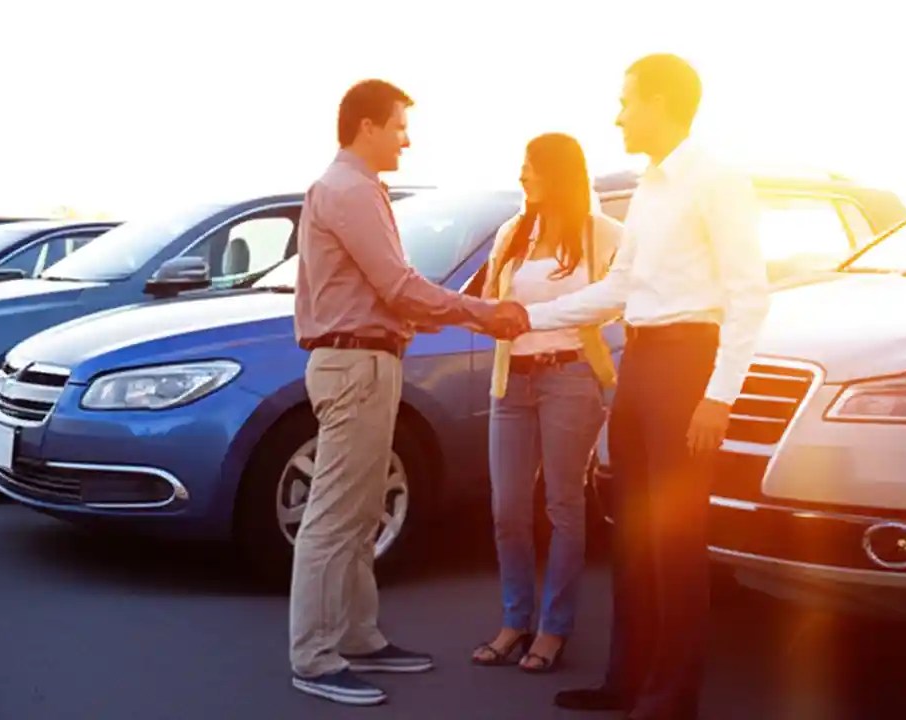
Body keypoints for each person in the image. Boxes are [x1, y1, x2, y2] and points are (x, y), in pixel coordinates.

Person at [513, 54, 769, 719]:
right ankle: (626, 682)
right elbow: (617, 289)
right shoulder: (651, 187)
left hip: (689, 365)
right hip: (642, 362)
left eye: (627, 101)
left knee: (676, 543)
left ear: (661, 102)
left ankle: (670, 697)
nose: (618, 114)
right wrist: (524, 318)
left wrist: (720, 396)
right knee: (631, 535)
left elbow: (749, 295)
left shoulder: (717, 181)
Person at [289, 78, 527, 707]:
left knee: (362, 511)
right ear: (367, 125)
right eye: (398, 126)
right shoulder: (348, 190)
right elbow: (398, 285)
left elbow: (387, 293)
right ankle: (314, 656)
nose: (407, 138)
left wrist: (432, 314)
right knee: (335, 516)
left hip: (368, 363)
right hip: (355, 366)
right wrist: (482, 312)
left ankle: (360, 637)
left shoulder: (355, 189)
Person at [469, 133, 625, 673]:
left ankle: (554, 629)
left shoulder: (604, 234)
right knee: (506, 507)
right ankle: (516, 619)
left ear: (558, 172)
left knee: (563, 505)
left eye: (530, 166)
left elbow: (616, 303)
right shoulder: (514, 232)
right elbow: (491, 301)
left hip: (571, 378)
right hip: (512, 380)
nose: (522, 176)